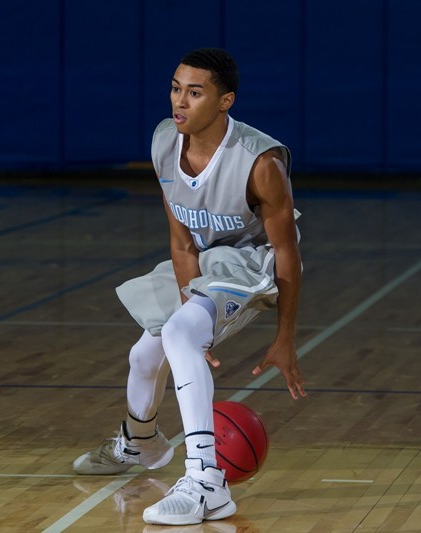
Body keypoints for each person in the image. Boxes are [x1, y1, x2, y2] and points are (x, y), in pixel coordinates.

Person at [73, 48, 306, 526]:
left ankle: (207, 482)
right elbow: (181, 239)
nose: (180, 101)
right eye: (176, 88)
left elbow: (287, 252)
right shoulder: (164, 139)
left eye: (195, 92)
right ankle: (142, 441)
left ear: (225, 101)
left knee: (180, 337)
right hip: (202, 263)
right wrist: (190, 307)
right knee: (145, 355)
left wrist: (285, 337)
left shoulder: (260, 162)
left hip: (249, 263)